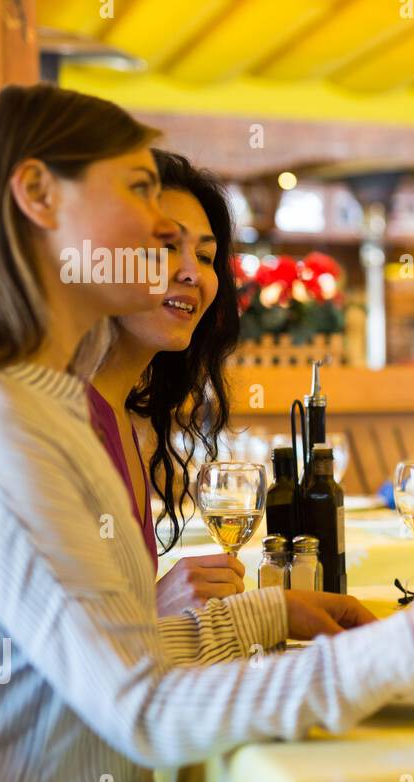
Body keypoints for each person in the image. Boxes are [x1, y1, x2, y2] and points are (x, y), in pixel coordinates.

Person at [0, 83, 414, 782]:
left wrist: (269, 611)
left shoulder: (34, 405)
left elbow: (97, 661)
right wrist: (411, 642)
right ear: (38, 194)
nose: (158, 235)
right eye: (140, 190)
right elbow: (142, 708)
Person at [84, 148, 278, 616]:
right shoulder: (63, 417)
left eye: (206, 255)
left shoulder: (117, 416)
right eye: (166, 246)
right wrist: (155, 608)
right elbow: (50, 662)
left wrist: (278, 614)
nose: (194, 273)